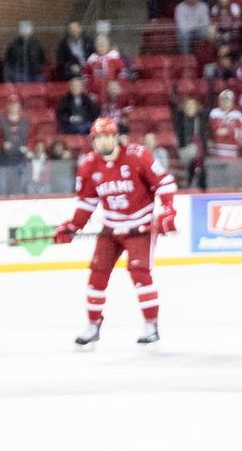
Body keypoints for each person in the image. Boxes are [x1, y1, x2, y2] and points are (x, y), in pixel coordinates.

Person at [53, 117, 176, 347]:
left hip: (140, 226)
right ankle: (93, 325)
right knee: (97, 273)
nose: (102, 142)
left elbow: (165, 183)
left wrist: (168, 210)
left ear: (116, 137)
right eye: (98, 138)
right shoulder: (88, 165)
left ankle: (151, 325)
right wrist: (73, 226)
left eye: (106, 136)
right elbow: (86, 202)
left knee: (139, 273)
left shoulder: (138, 156)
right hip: (110, 228)